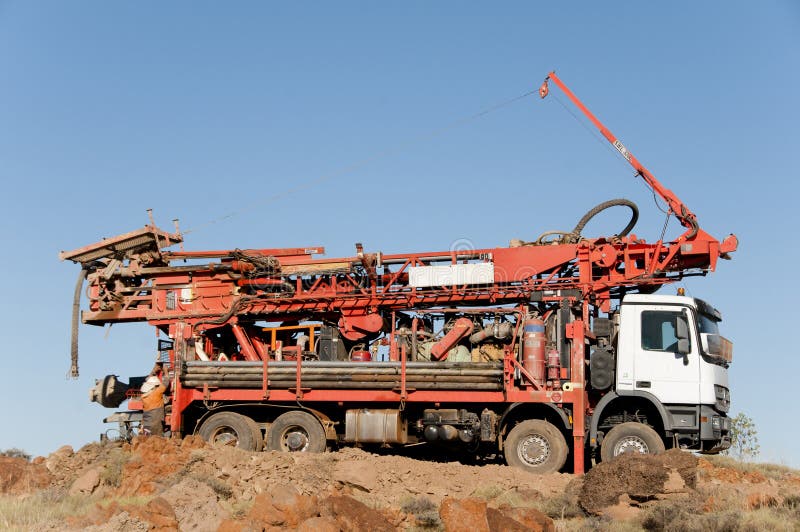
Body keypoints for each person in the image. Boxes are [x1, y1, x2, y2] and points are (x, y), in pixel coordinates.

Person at [140, 363, 167, 436]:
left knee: (147, 437)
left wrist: (153, 371)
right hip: (156, 420)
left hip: (147, 420)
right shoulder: (157, 393)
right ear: (154, 386)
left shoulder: (143, 395)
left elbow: (148, 380)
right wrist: (166, 371)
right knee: (157, 438)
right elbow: (166, 383)